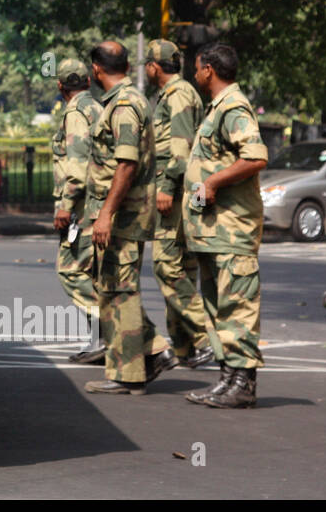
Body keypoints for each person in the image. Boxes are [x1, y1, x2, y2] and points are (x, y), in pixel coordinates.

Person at [83, 41, 176, 394]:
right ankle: (151, 353)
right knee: (114, 289)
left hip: (123, 217)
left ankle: (126, 375)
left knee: (120, 291)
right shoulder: (129, 100)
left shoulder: (123, 105)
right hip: (123, 216)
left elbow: (126, 164)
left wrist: (105, 214)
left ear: (96, 69)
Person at [184, 42, 268, 409]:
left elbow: (255, 156)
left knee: (238, 307)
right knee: (219, 308)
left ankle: (243, 384)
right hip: (214, 232)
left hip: (232, 231)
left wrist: (213, 182)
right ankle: (227, 380)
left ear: (209, 71)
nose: (195, 72)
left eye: (197, 67)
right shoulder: (217, 108)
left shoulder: (233, 106)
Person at [144, 39, 212, 368]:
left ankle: (204, 335)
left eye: (147, 64)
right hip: (182, 193)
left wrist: (167, 186)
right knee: (183, 268)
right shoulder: (174, 94)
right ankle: (186, 348)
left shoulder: (179, 95)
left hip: (177, 193)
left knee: (166, 266)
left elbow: (181, 151)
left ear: (154, 67)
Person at [50, 58, 105, 363]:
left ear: (60, 86)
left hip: (82, 208)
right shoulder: (97, 107)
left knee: (70, 270)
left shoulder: (76, 112)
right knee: (93, 274)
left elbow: (78, 165)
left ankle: (109, 330)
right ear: (86, 82)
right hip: (98, 204)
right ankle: (99, 341)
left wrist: (65, 206)